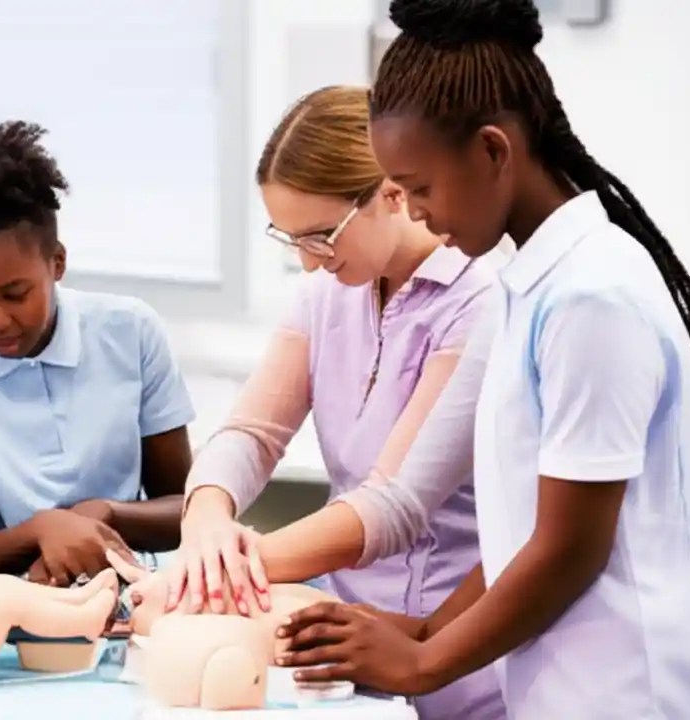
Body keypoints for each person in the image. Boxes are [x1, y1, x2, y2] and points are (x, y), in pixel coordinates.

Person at [278, 2, 690, 718]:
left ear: (492, 151)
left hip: (628, 691)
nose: (414, 213)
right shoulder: (533, 284)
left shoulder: (591, 296)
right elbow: (528, 531)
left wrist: (425, 660)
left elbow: (570, 547)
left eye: (419, 188)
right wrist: (424, 628)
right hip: (569, 685)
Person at [172, 85, 503, 719]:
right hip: (346, 649)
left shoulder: (477, 303)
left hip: (458, 654)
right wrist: (206, 518)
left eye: (321, 236)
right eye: (289, 238)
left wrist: (223, 573)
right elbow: (251, 432)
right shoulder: (329, 292)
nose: (307, 261)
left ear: (392, 193)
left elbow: (391, 506)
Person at [0, 117, 196, 587]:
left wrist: (104, 514)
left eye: (15, 294)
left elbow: (185, 511)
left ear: (57, 263)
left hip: (132, 604)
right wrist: (44, 529)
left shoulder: (130, 332)